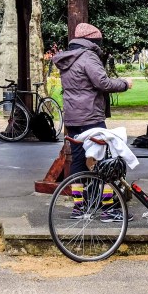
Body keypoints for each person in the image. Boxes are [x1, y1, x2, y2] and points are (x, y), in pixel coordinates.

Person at [52, 22, 133, 178]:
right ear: (92, 41)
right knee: (104, 158)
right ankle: (103, 193)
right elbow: (103, 83)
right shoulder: (88, 56)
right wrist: (124, 84)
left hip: (72, 118)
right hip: (90, 117)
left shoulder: (67, 57)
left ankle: (78, 194)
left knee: (78, 159)